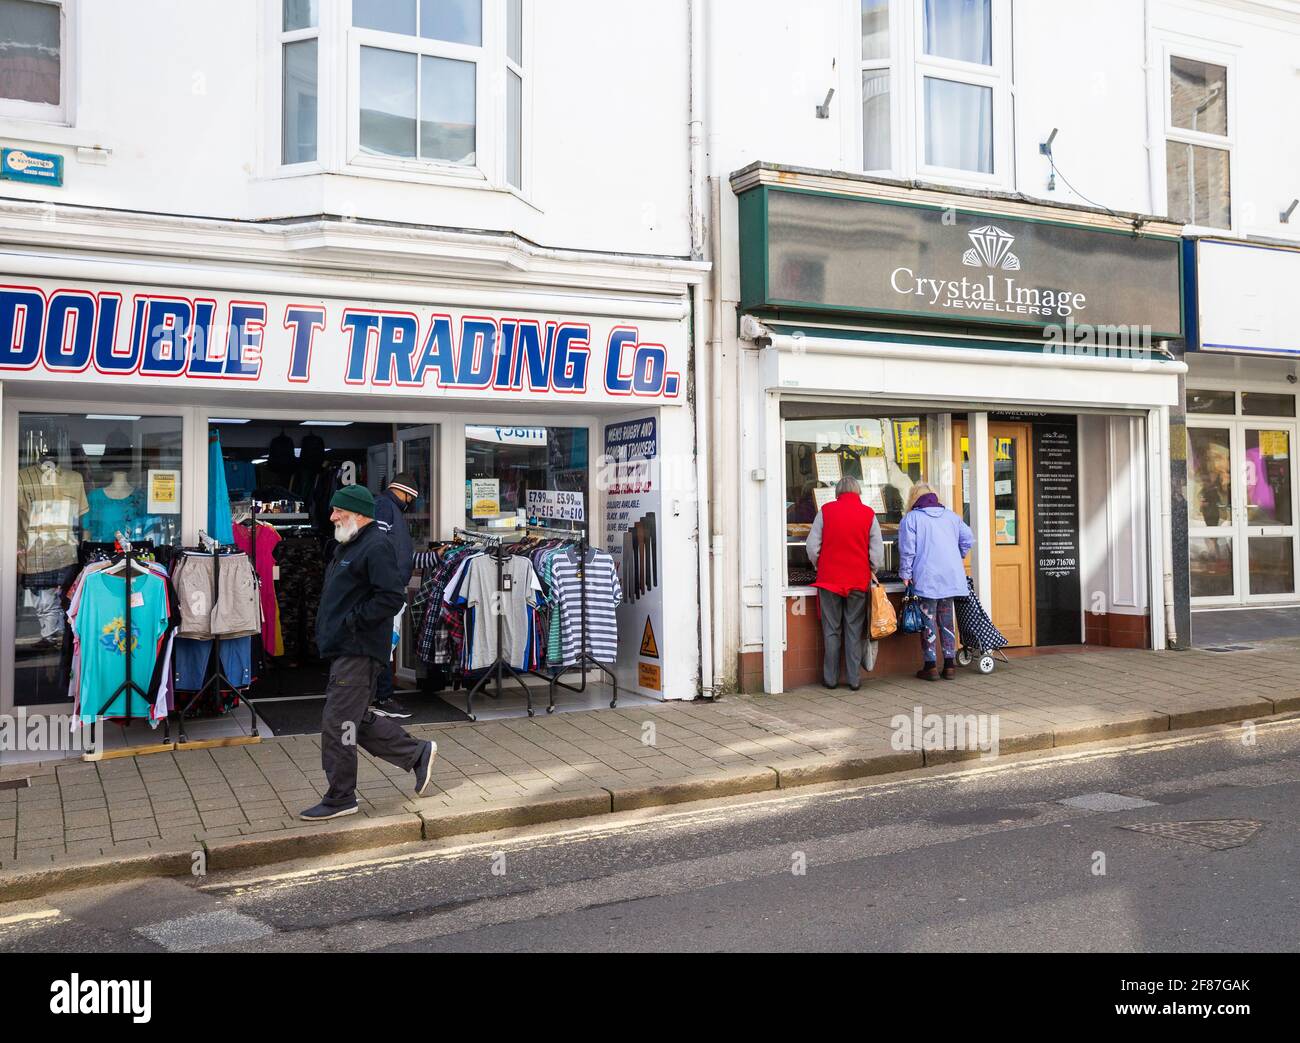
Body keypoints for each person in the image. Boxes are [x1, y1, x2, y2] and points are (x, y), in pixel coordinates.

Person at [300, 484, 437, 821]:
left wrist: (351, 623)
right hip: (346, 648)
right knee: (354, 720)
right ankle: (416, 754)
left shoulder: (375, 546)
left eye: (338, 511)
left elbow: (391, 597)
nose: (332, 516)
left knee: (337, 724)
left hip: (358, 650)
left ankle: (340, 798)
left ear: (359, 514)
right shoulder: (348, 544)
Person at [806, 475, 883, 690]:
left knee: (831, 630)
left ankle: (830, 679)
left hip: (829, 580)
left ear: (837, 492)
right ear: (858, 491)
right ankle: (853, 679)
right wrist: (871, 569)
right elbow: (877, 553)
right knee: (854, 629)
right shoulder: (868, 514)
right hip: (858, 580)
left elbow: (812, 547)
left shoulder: (826, 511)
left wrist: (819, 565)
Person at [897, 483, 974, 682]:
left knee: (927, 621)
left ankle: (930, 666)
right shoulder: (951, 516)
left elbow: (908, 550)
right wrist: (957, 557)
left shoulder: (911, 519)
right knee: (947, 621)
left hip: (926, 577)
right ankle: (949, 665)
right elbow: (968, 538)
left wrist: (905, 573)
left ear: (913, 498)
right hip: (950, 577)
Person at [370, 471, 420, 719]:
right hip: (386, 590)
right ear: (406, 494)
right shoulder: (385, 506)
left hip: (388, 588)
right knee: (384, 645)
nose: (409, 503)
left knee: (385, 645)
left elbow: (403, 556)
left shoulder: (389, 509)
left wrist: (437, 556)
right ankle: (383, 697)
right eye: (410, 498)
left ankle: (378, 696)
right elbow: (378, 545)